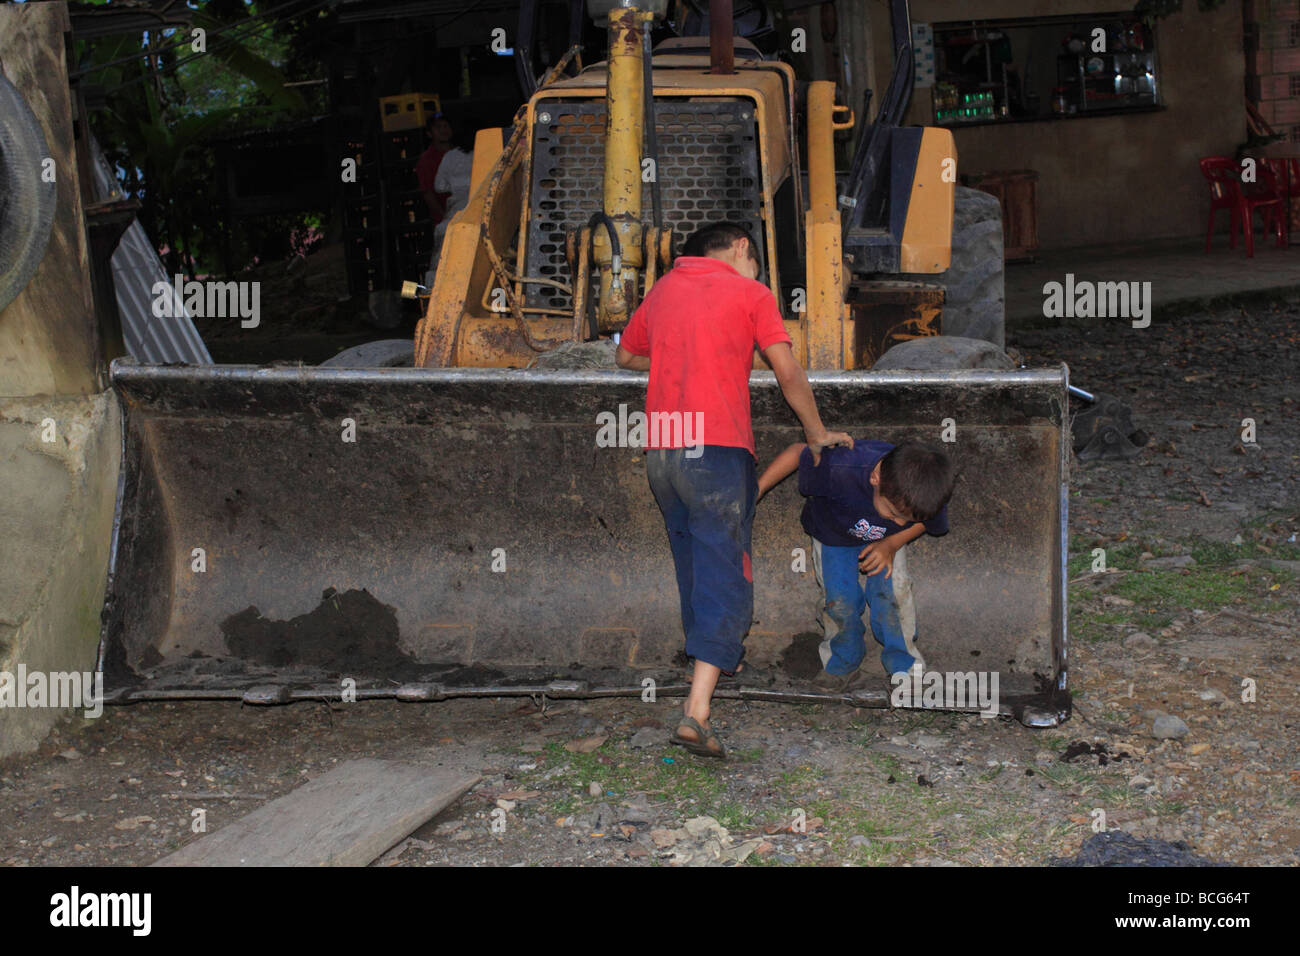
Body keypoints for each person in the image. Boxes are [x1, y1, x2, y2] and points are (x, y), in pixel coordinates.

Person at [615, 221, 852, 759]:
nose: (756, 273)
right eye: (755, 262)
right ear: (743, 248)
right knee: (727, 571)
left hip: (663, 452)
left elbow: (626, 357)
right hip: (716, 451)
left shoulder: (664, 290)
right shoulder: (751, 293)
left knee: (695, 565)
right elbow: (787, 370)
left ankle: (720, 658)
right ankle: (696, 713)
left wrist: (686, 356)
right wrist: (816, 433)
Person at [757, 439, 954, 690]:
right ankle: (841, 664)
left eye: (907, 519)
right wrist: (758, 488)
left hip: (886, 541)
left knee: (894, 594)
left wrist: (893, 543)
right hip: (832, 533)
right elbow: (798, 452)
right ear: (875, 478)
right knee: (839, 600)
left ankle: (906, 669)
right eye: (894, 513)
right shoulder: (842, 467)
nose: (901, 521)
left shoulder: (925, 492)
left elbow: (924, 522)